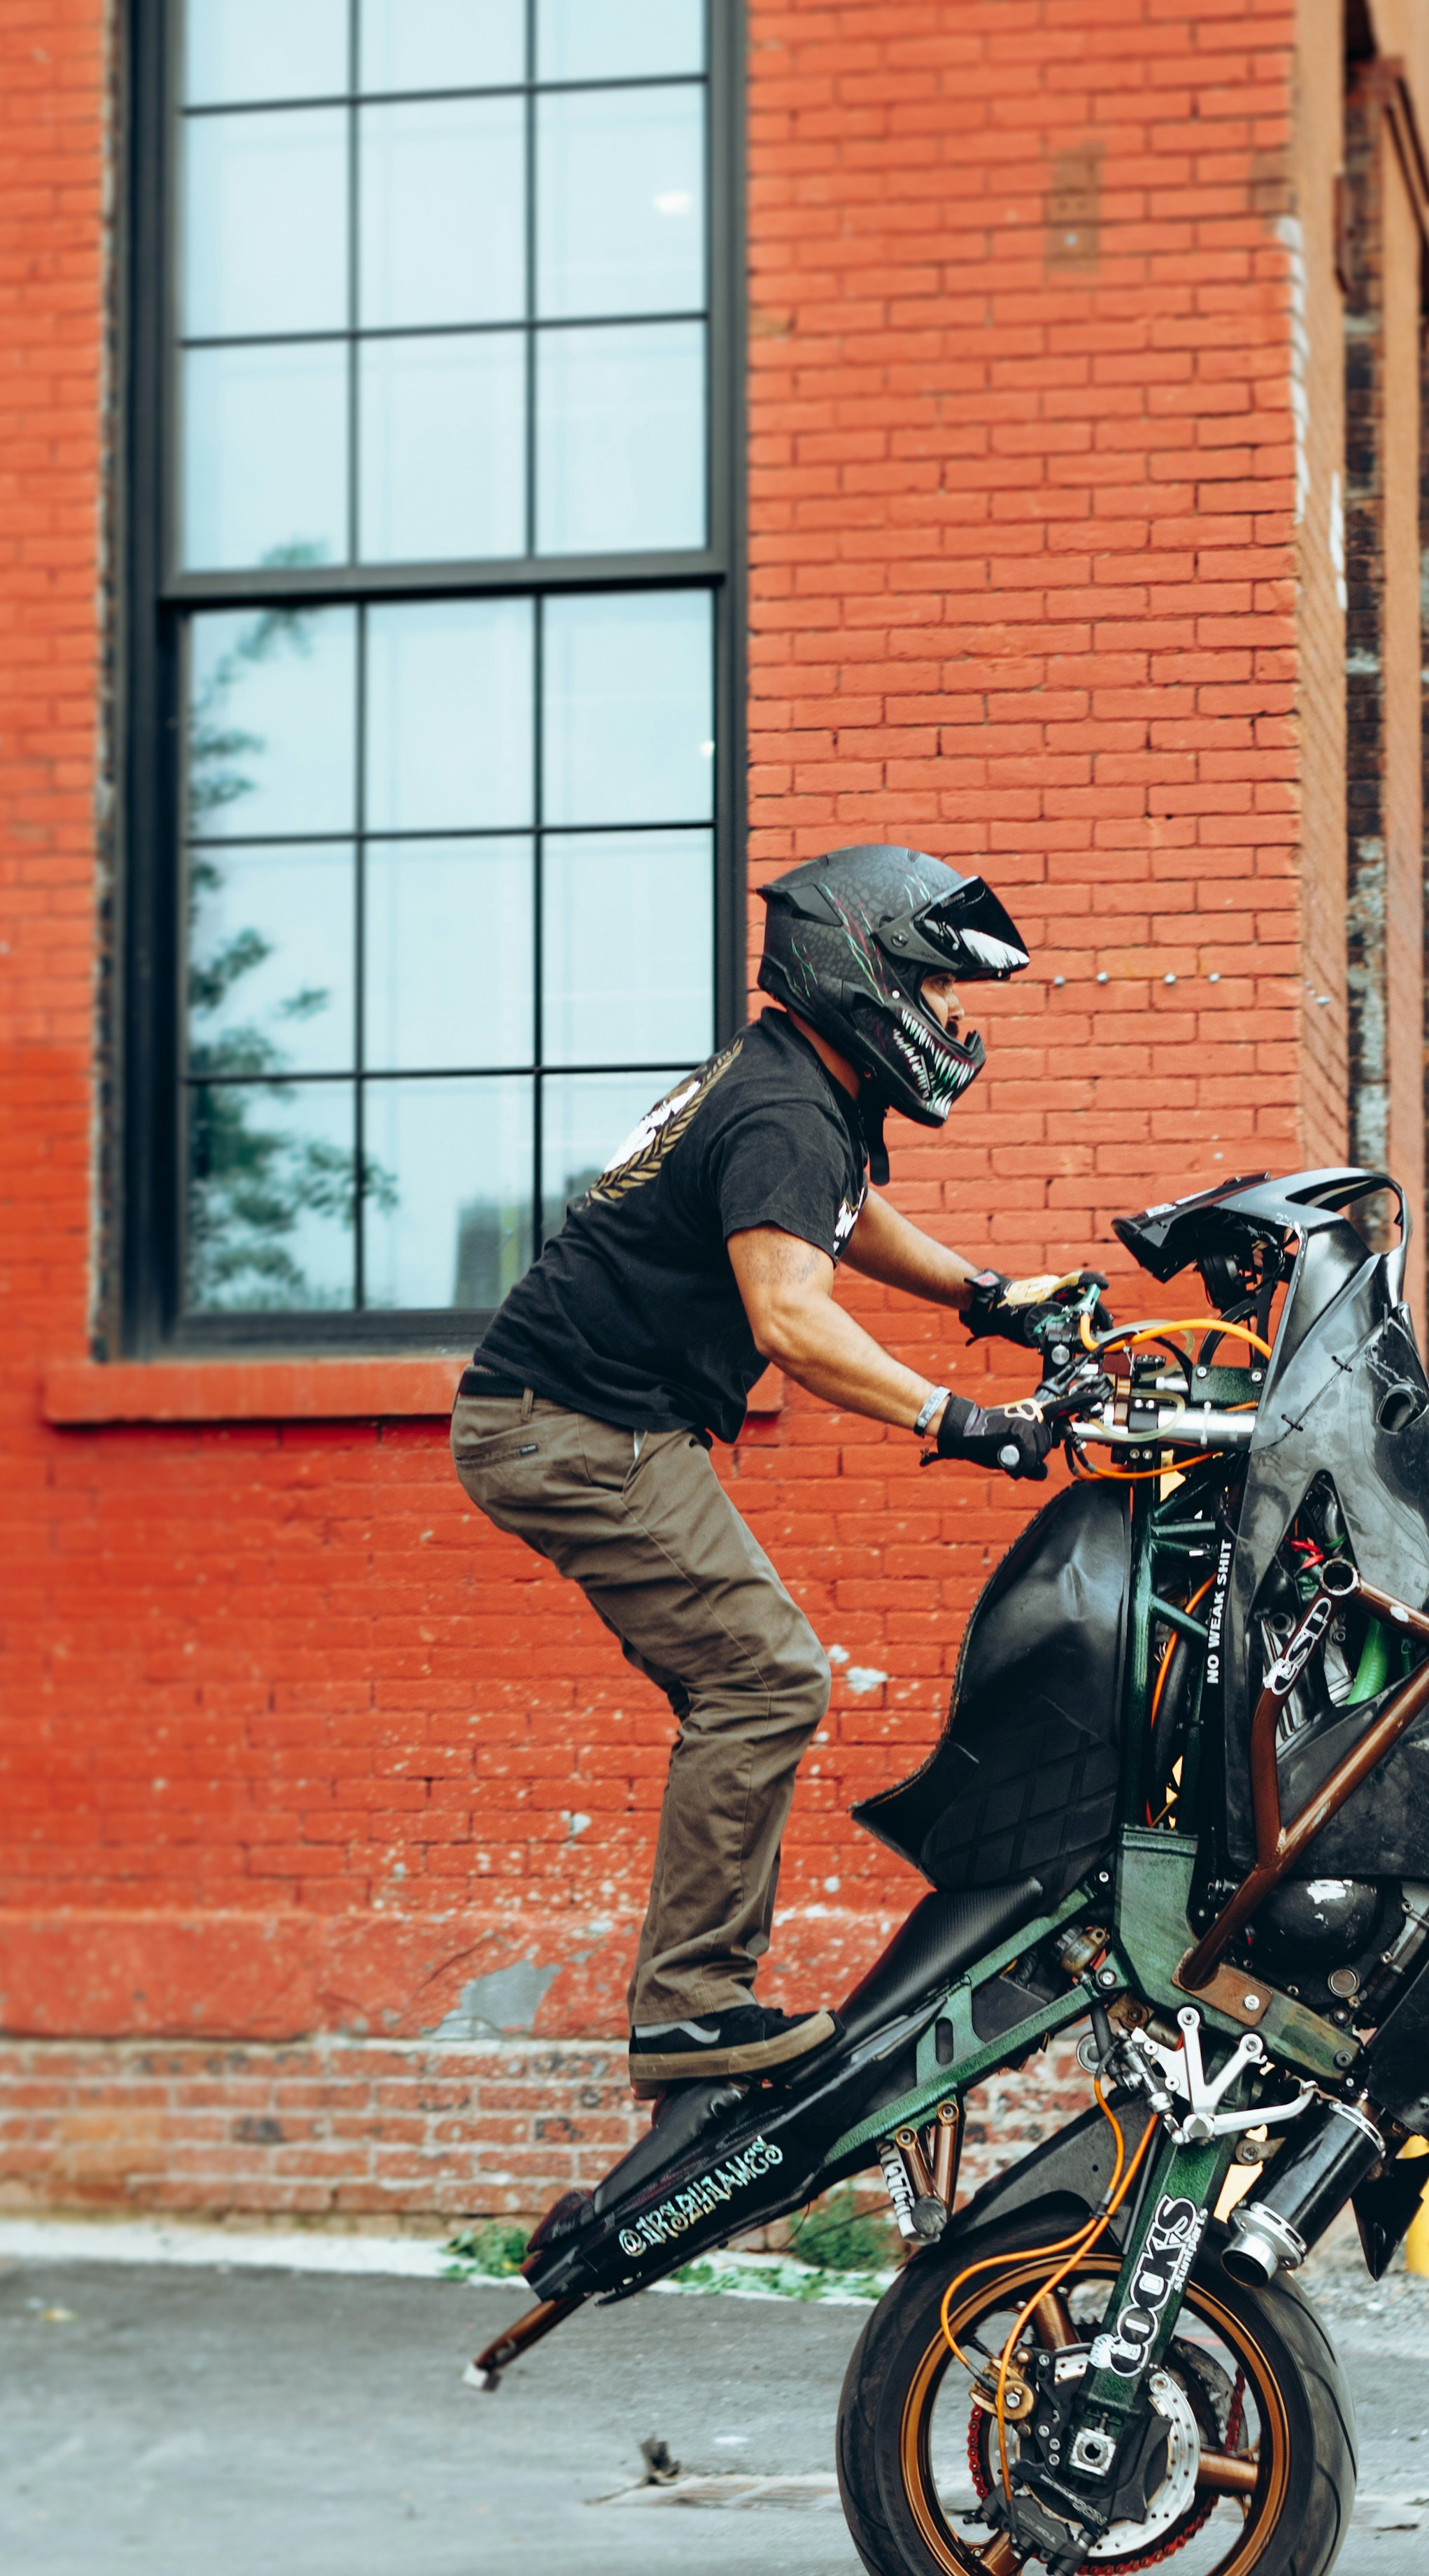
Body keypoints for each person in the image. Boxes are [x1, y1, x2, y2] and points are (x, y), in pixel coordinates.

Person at [450, 846, 1087, 2099]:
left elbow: (838, 1215)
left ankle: (689, 2012)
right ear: (865, 976)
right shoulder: (787, 1111)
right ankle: (691, 2008)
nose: (953, 1015)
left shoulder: (799, 1088)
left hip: (566, 1418)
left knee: (736, 1687)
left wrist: (985, 1293)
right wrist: (963, 1419)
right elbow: (791, 1315)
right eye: (938, 985)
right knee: (767, 1674)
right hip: (576, 1427)